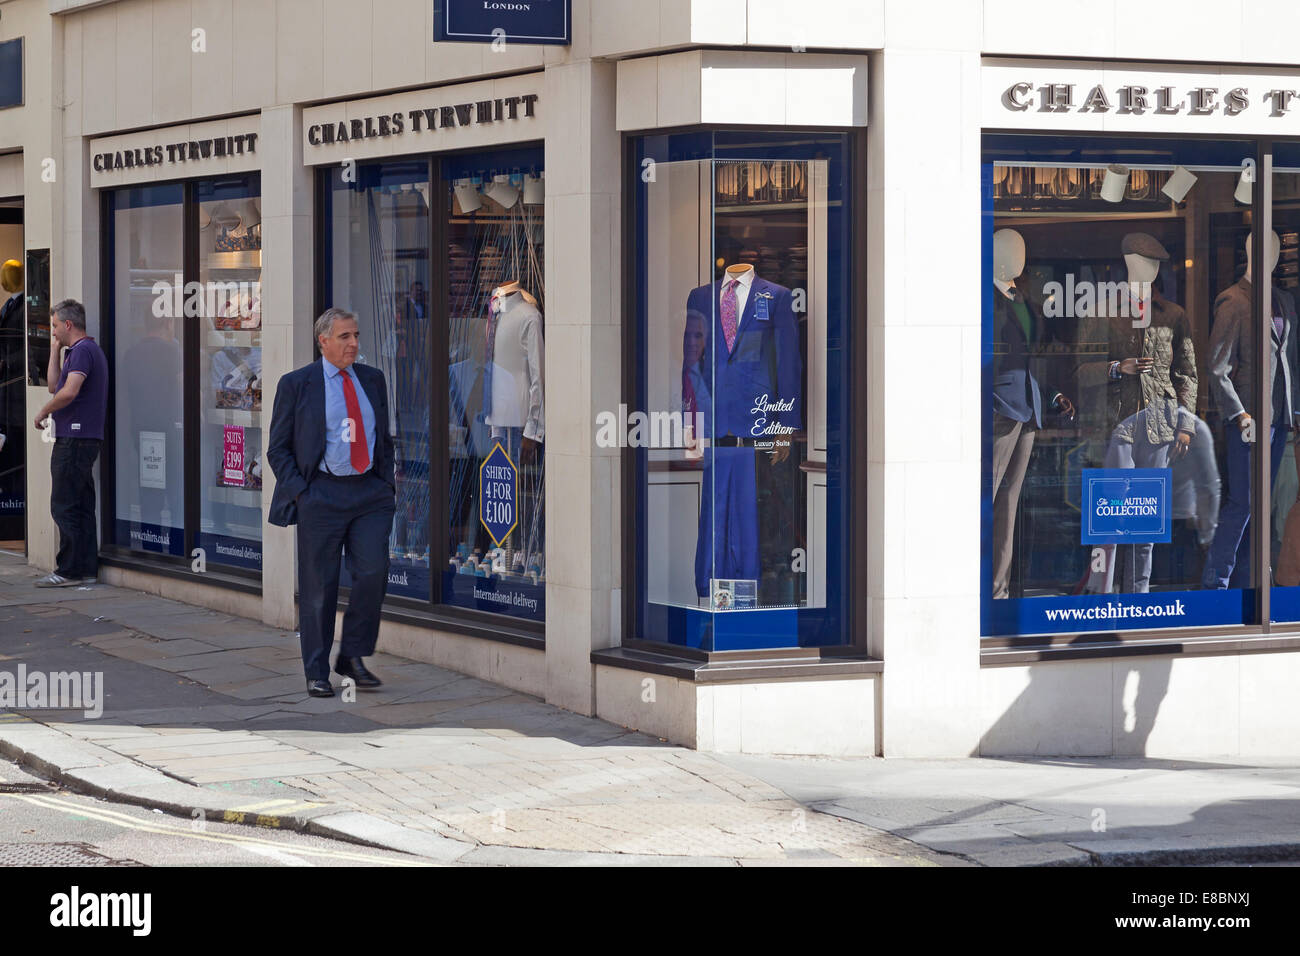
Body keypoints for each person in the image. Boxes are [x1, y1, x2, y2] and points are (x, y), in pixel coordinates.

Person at [267, 307, 396, 698]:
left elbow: (383, 438)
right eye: (344, 337)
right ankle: (317, 670)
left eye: (355, 335)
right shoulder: (297, 384)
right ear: (323, 341)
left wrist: (385, 484)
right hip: (321, 493)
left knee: (373, 572)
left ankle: (352, 654)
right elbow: (278, 449)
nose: (353, 344)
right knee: (319, 586)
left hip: (368, 493)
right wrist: (303, 495)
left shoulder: (373, 380)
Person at [32, 299, 108, 587]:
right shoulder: (76, 352)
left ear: (68, 324)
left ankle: (69, 570)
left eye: (54, 327)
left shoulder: (83, 352)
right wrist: (54, 351)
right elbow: (54, 386)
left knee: (64, 505)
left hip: (75, 438)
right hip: (81, 437)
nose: (52, 332)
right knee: (82, 504)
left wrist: (43, 411)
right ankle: (85, 568)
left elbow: (68, 392)